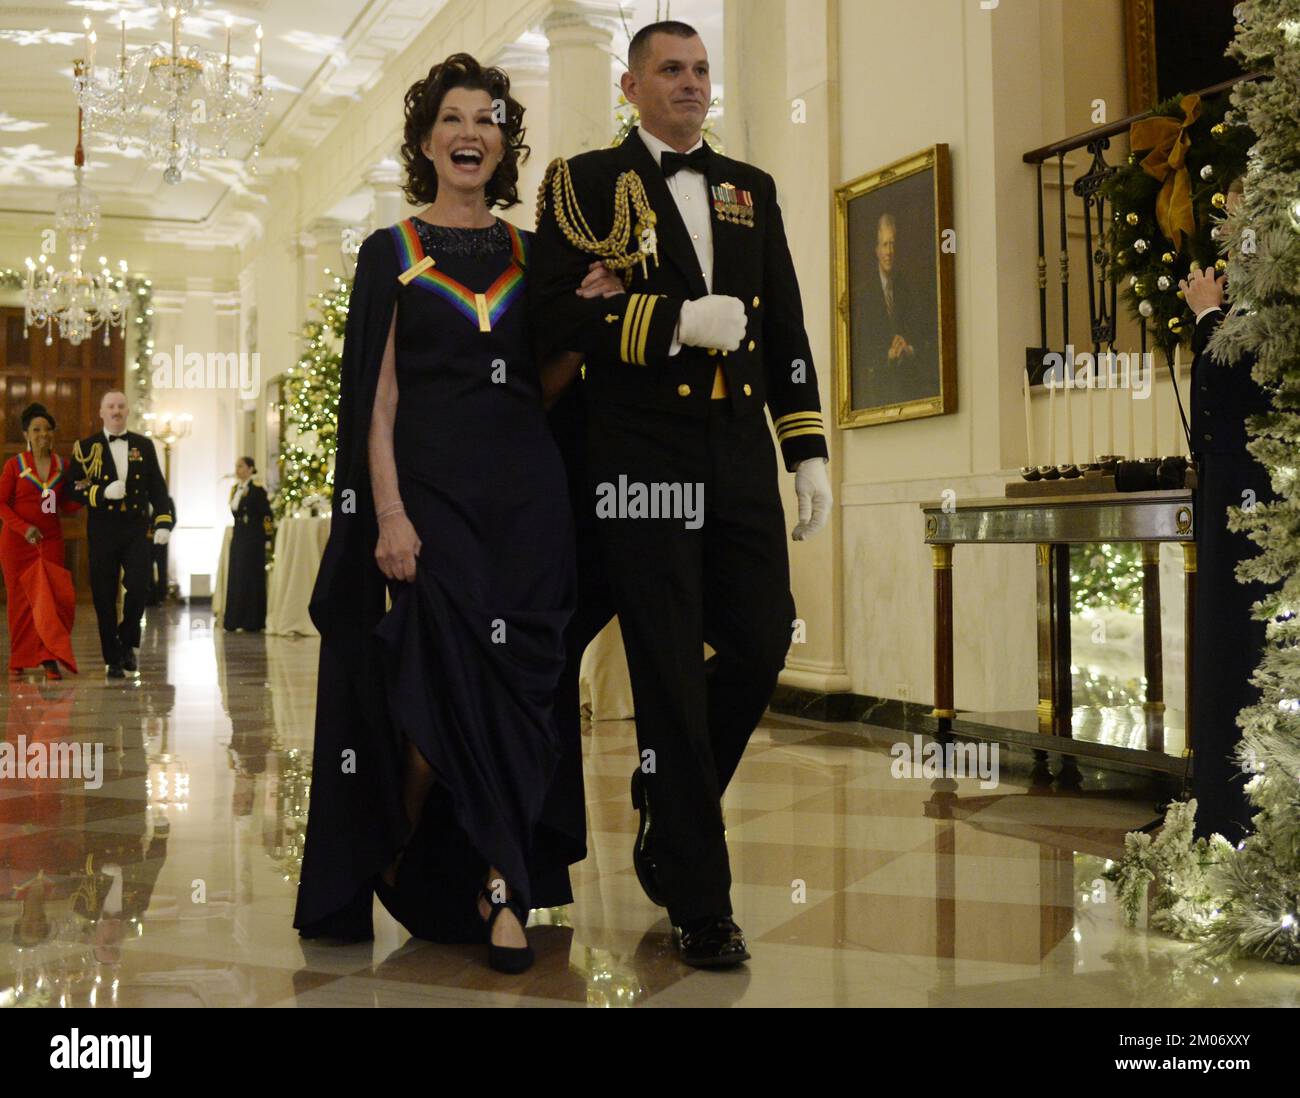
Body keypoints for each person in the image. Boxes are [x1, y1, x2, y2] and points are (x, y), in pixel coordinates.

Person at [293, 53, 623, 973]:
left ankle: (504, 889)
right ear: (427, 139)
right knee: (436, 695)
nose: (470, 132)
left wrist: (587, 321)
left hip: (528, 508)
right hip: (431, 510)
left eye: (487, 118)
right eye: (452, 118)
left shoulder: (530, 254)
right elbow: (378, 403)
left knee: (521, 700)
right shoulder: (389, 252)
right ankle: (394, 836)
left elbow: (540, 388)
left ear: (503, 141)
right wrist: (389, 514)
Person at [530, 20, 833, 968]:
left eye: (701, 70)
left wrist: (806, 448)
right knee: (663, 668)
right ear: (631, 86)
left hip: (739, 451)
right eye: (671, 69)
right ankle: (701, 900)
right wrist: (667, 321)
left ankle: (667, 794)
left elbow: (781, 316)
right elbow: (556, 314)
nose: (692, 84)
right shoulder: (578, 182)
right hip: (639, 458)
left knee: (759, 634)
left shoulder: (752, 188)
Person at [1178, 179, 1273, 843]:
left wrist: (1209, 315)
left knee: (1237, 644)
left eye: (1237, 210)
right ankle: (1219, 808)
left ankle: (1235, 814)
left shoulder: (1267, 300)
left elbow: (1230, 379)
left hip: (1250, 495)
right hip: (1228, 485)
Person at [69, 391, 174, 679]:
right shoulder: (86, 446)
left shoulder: (143, 445)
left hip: (135, 529)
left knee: (140, 587)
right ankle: (113, 657)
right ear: (101, 412)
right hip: (102, 530)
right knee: (103, 595)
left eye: (120, 406)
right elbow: (71, 489)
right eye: (110, 406)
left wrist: (164, 522)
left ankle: (127, 641)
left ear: (127, 411)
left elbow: (158, 489)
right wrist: (101, 493)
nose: (116, 411)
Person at [0, 403, 82, 679]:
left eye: (47, 429)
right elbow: (1, 504)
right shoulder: (15, 465)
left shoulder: (64, 465)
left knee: (51, 599)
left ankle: (49, 657)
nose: (43, 434)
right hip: (17, 544)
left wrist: (84, 492)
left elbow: (67, 506)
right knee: (21, 601)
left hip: (50, 541)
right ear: (27, 434)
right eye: (36, 429)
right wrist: (24, 528)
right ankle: (19, 659)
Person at [222, 457, 272, 632]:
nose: (238, 469)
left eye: (241, 466)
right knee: (237, 577)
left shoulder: (257, 490)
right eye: (236, 466)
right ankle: (235, 620)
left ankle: (253, 621)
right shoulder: (235, 489)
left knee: (251, 578)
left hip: (253, 540)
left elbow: (267, 515)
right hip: (239, 538)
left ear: (251, 469)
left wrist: (267, 537)